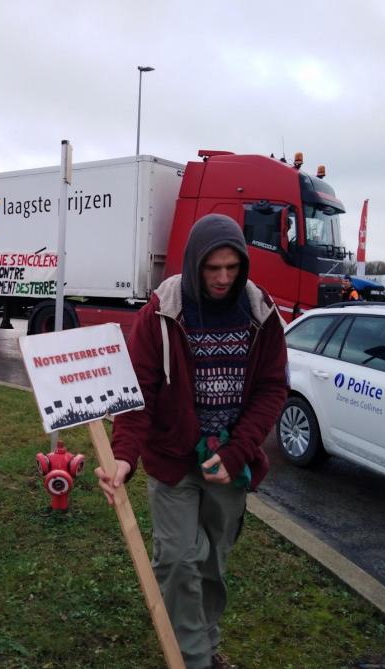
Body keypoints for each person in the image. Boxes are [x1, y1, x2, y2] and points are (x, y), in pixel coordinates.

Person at [95, 214, 288, 669]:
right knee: (179, 560)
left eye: (232, 268)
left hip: (229, 463)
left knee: (212, 566)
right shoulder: (161, 314)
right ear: (194, 263)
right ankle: (195, 660)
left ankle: (206, 643)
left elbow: (272, 389)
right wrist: (124, 456)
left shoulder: (262, 315)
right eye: (212, 268)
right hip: (171, 459)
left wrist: (237, 450)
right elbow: (137, 392)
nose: (223, 278)